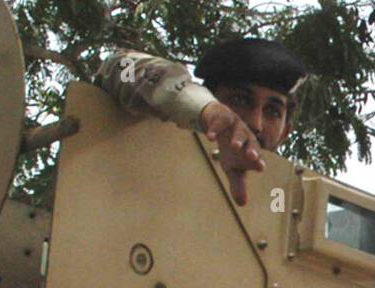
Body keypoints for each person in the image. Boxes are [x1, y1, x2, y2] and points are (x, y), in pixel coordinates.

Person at [97, 37, 306, 206]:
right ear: (209, 97)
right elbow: (119, 66)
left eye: (273, 112)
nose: (255, 123)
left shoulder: (281, 206)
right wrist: (206, 110)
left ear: (285, 132)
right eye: (241, 100)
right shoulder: (159, 150)